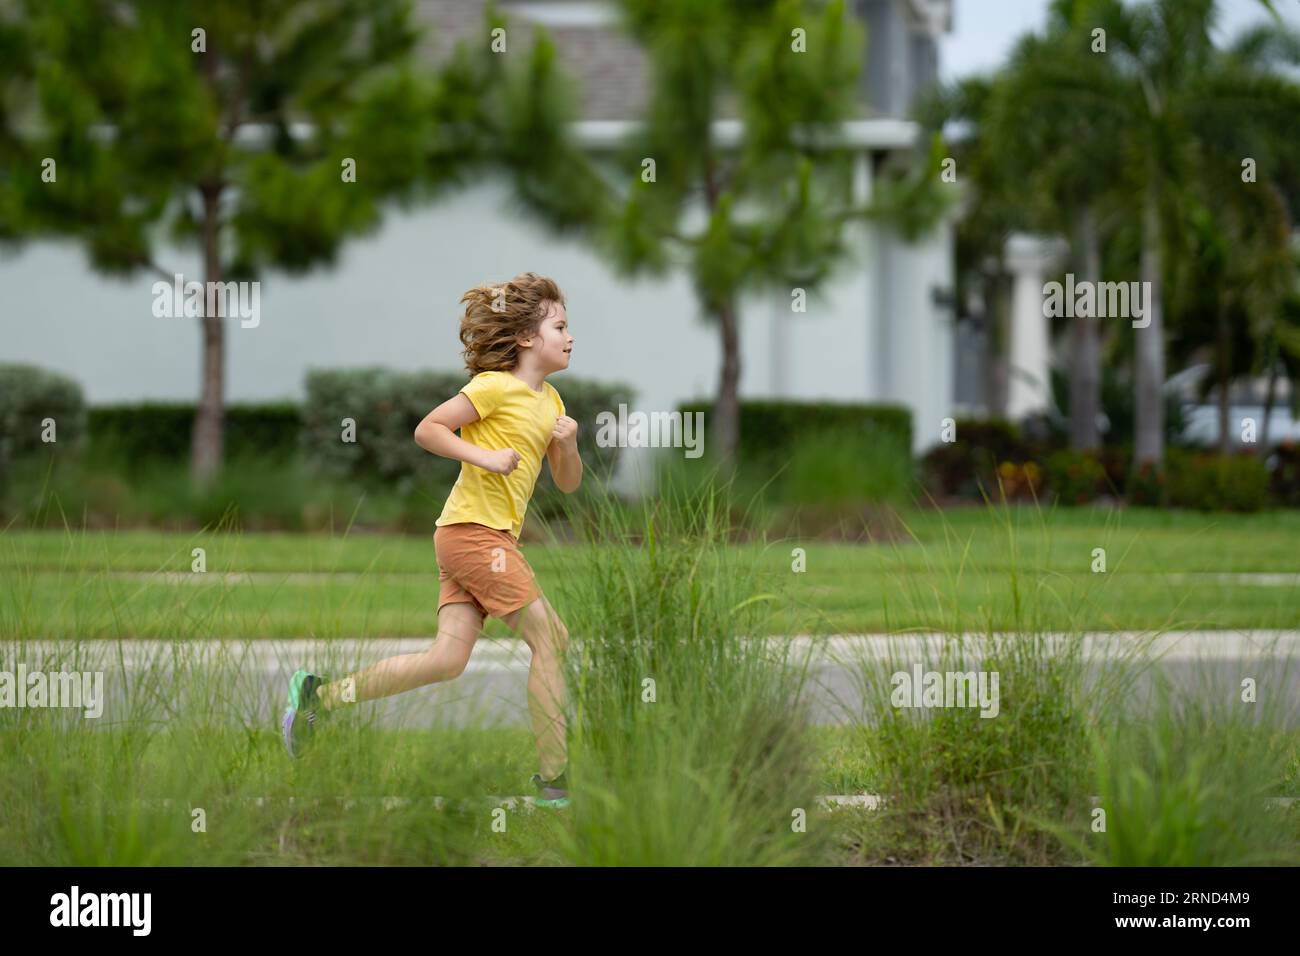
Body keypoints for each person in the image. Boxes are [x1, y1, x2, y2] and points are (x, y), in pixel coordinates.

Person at [282, 272, 581, 809]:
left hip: (470, 537)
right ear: (527, 339)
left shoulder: (552, 401)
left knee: (447, 659)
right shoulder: (493, 388)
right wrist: (484, 457)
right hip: (475, 535)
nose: (570, 336)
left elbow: (567, 482)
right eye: (560, 326)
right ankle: (554, 782)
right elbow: (429, 429)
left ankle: (318, 699)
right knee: (552, 640)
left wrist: (569, 444)